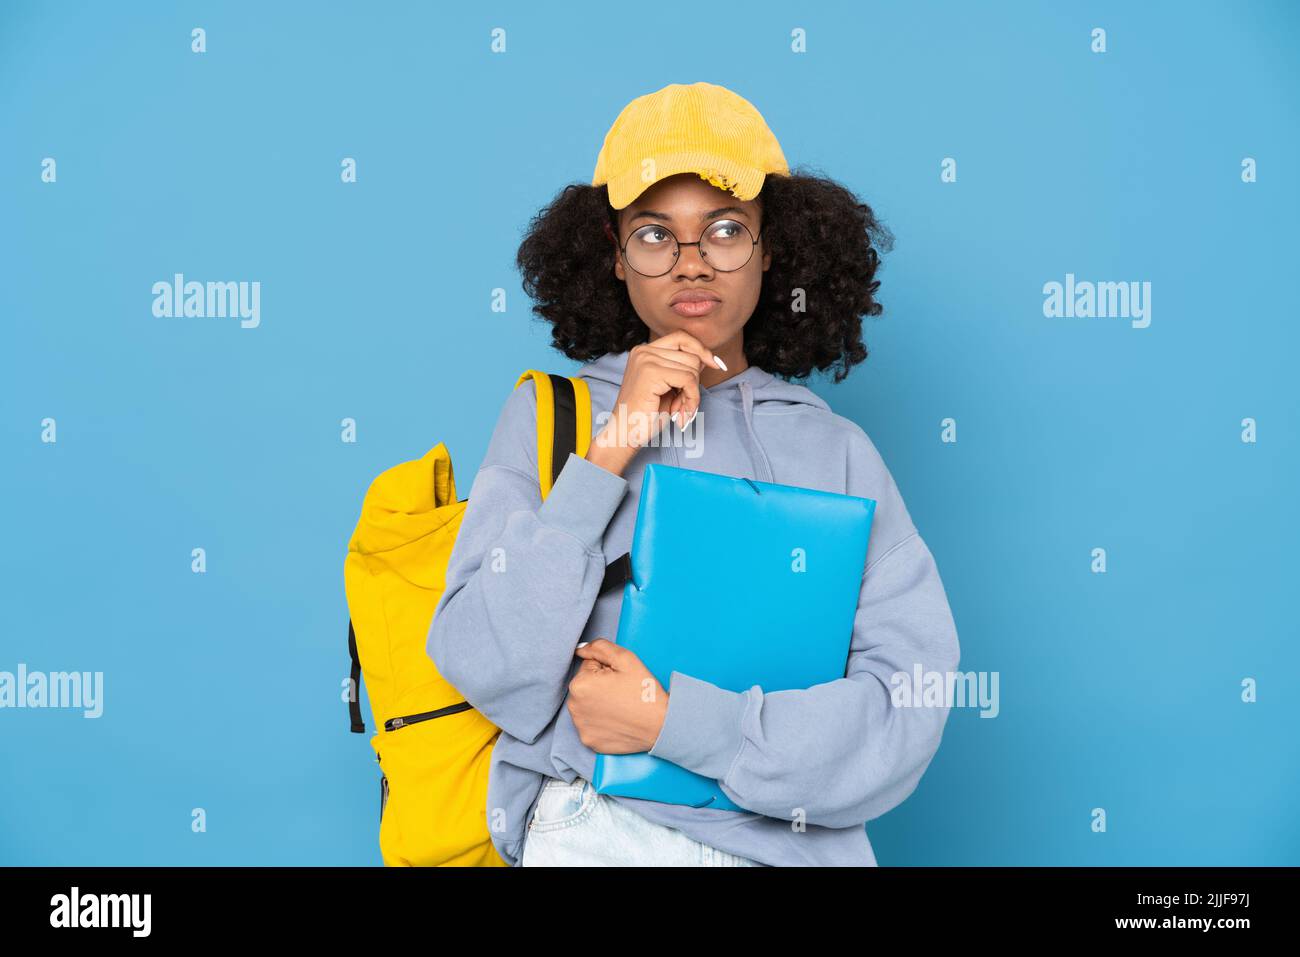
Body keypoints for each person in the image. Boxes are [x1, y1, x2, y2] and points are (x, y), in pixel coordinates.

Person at [427, 81, 961, 866]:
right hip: (595, 832)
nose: (691, 264)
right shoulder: (554, 419)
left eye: (724, 229)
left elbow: (904, 709)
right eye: (653, 234)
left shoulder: (840, 452)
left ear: (770, 246)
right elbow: (486, 665)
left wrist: (674, 723)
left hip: (795, 849)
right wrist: (611, 449)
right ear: (612, 253)